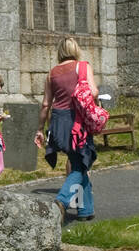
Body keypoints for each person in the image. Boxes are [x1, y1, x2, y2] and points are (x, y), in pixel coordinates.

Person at [35, 37, 97, 221]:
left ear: (60, 52)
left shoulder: (51, 73)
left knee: (77, 161)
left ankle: (85, 211)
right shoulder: (83, 67)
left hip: (58, 121)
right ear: (76, 49)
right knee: (80, 163)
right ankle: (61, 201)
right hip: (77, 120)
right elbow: (93, 92)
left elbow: (46, 104)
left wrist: (40, 128)